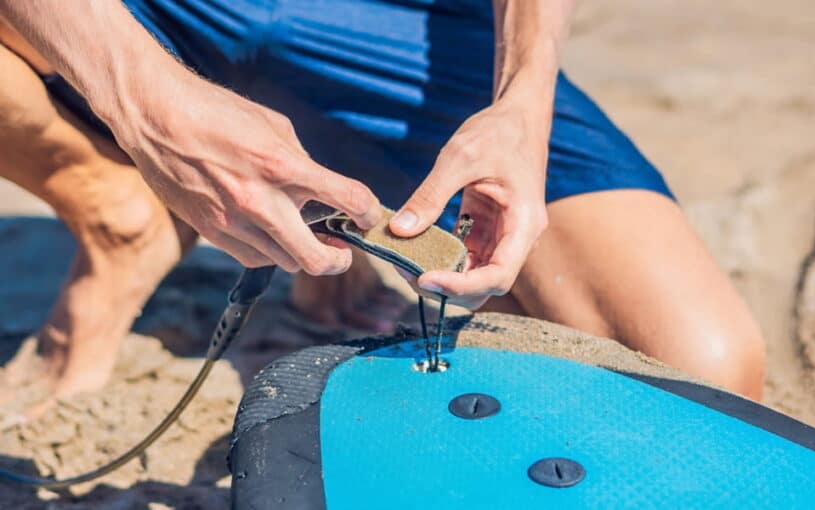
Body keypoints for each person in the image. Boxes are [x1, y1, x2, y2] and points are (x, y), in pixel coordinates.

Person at [0, 0, 765, 412]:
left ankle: (333, 197)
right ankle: (112, 209)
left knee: (698, 375)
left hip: (403, 24)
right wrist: (143, 104)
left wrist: (522, 100)